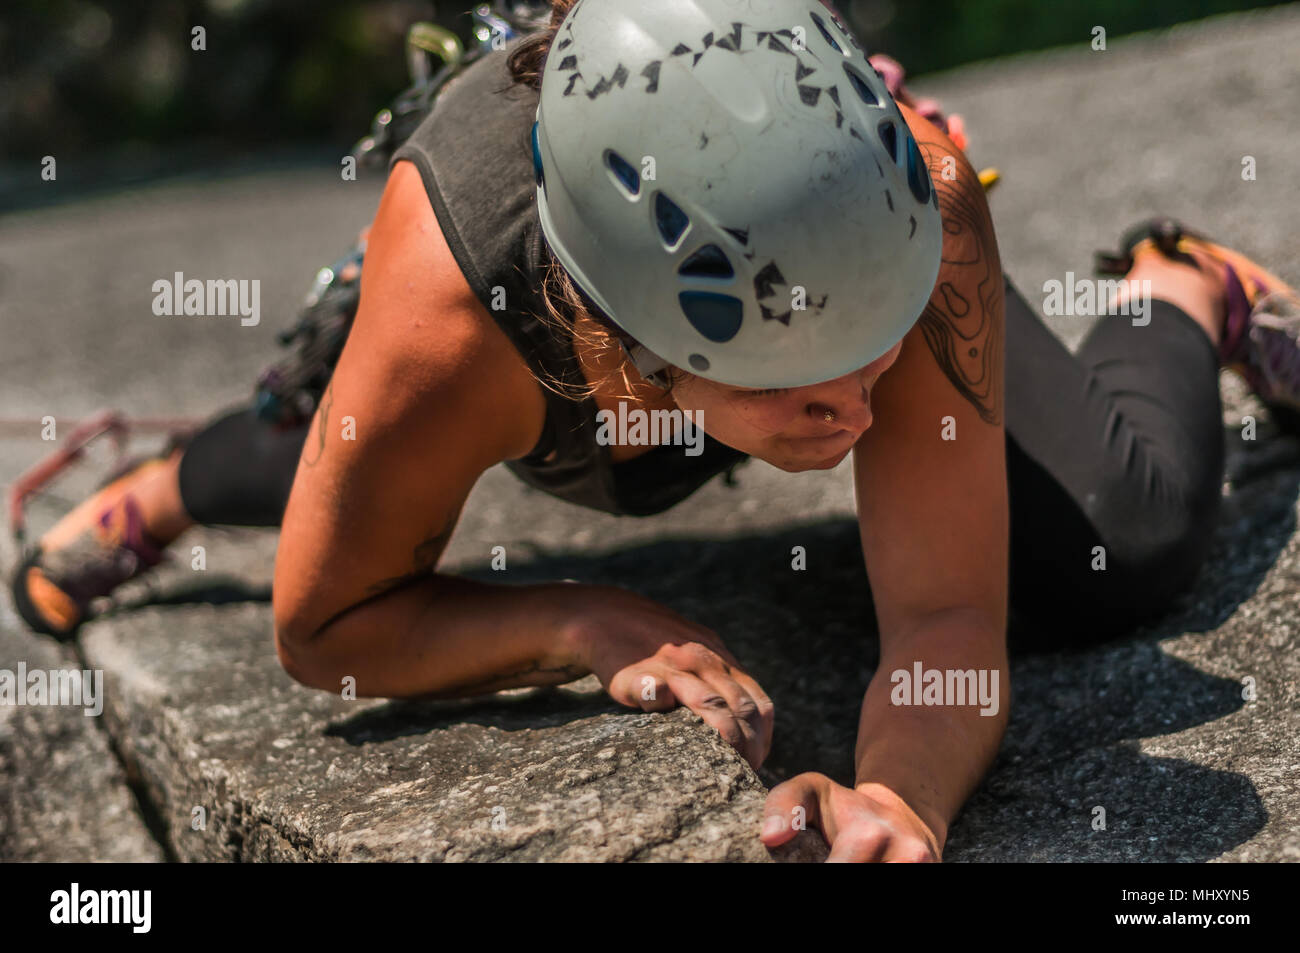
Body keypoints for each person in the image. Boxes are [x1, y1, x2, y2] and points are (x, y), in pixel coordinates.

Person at [12, 0, 1300, 862]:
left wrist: (898, 801)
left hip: (779, 249)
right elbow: (324, 628)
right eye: (811, 393)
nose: (860, 419)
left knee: (1122, 540)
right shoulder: (455, 320)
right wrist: (579, 621)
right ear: (621, 348)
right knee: (302, 464)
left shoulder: (925, 203)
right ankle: (164, 490)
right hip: (536, 301)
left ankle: (1184, 286)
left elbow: (947, 622)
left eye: (876, 363)